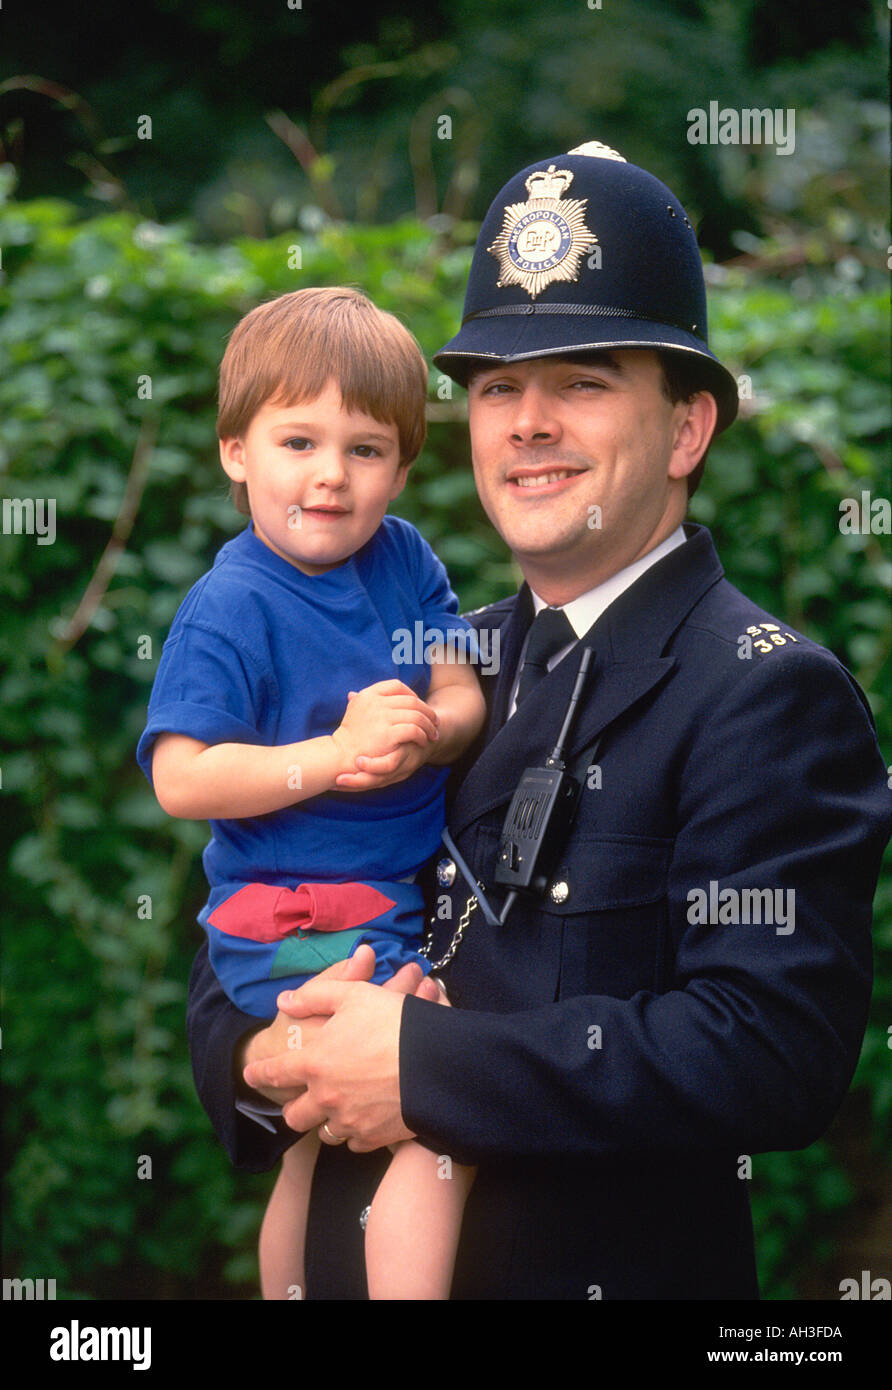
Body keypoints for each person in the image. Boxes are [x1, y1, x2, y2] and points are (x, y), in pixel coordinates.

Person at [186, 144, 892, 1299]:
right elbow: (251, 898)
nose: (527, 422)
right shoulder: (433, 664)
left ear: (684, 430)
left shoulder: (765, 692)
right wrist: (272, 1053)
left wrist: (420, 1066)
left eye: (584, 381)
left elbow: (770, 1052)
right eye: (499, 387)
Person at [137, 286, 485, 1299]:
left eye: (366, 450)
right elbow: (181, 776)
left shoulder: (404, 558)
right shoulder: (231, 605)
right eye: (297, 442)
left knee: (306, 1149)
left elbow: (458, 689)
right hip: (295, 920)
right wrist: (330, 756)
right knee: (436, 1112)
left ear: (403, 470)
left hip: (379, 895)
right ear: (235, 451)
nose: (330, 476)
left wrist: (428, 737)